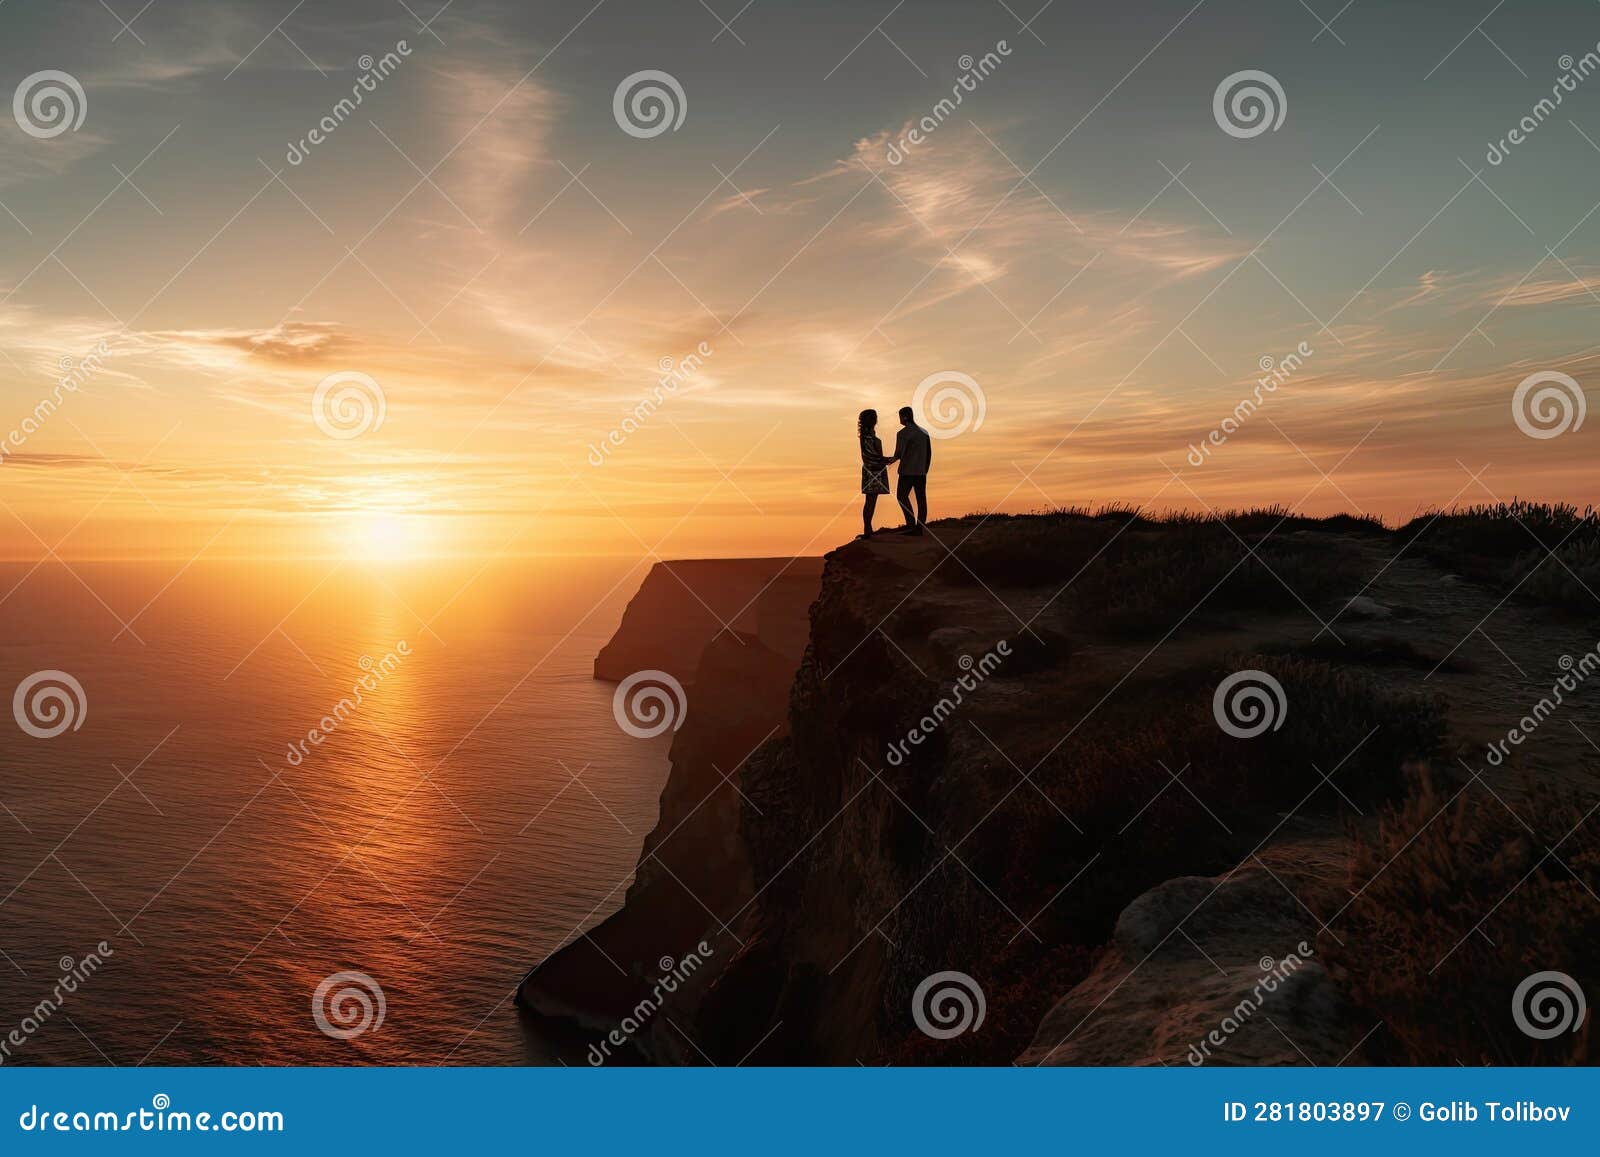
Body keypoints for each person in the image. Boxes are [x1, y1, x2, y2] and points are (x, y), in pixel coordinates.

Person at [892, 405, 931, 535]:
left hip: (907, 471)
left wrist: (886, 460)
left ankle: (910, 523)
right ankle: (919, 528)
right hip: (921, 471)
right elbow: (929, 453)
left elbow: (898, 454)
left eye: (900, 417)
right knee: (921, 499)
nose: (899, 420)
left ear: (904, 417)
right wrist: (925, 468)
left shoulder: (902, 434)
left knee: (901, 496)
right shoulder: (924, 432)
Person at [857, 409, 892, 539]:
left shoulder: (869, 435)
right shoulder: (867, 437)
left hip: (875, 469)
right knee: (870, 500)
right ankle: (867, 529)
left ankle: (868, 528)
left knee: (871, 500)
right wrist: (888, 459)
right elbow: (871, 455)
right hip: (873, 471)